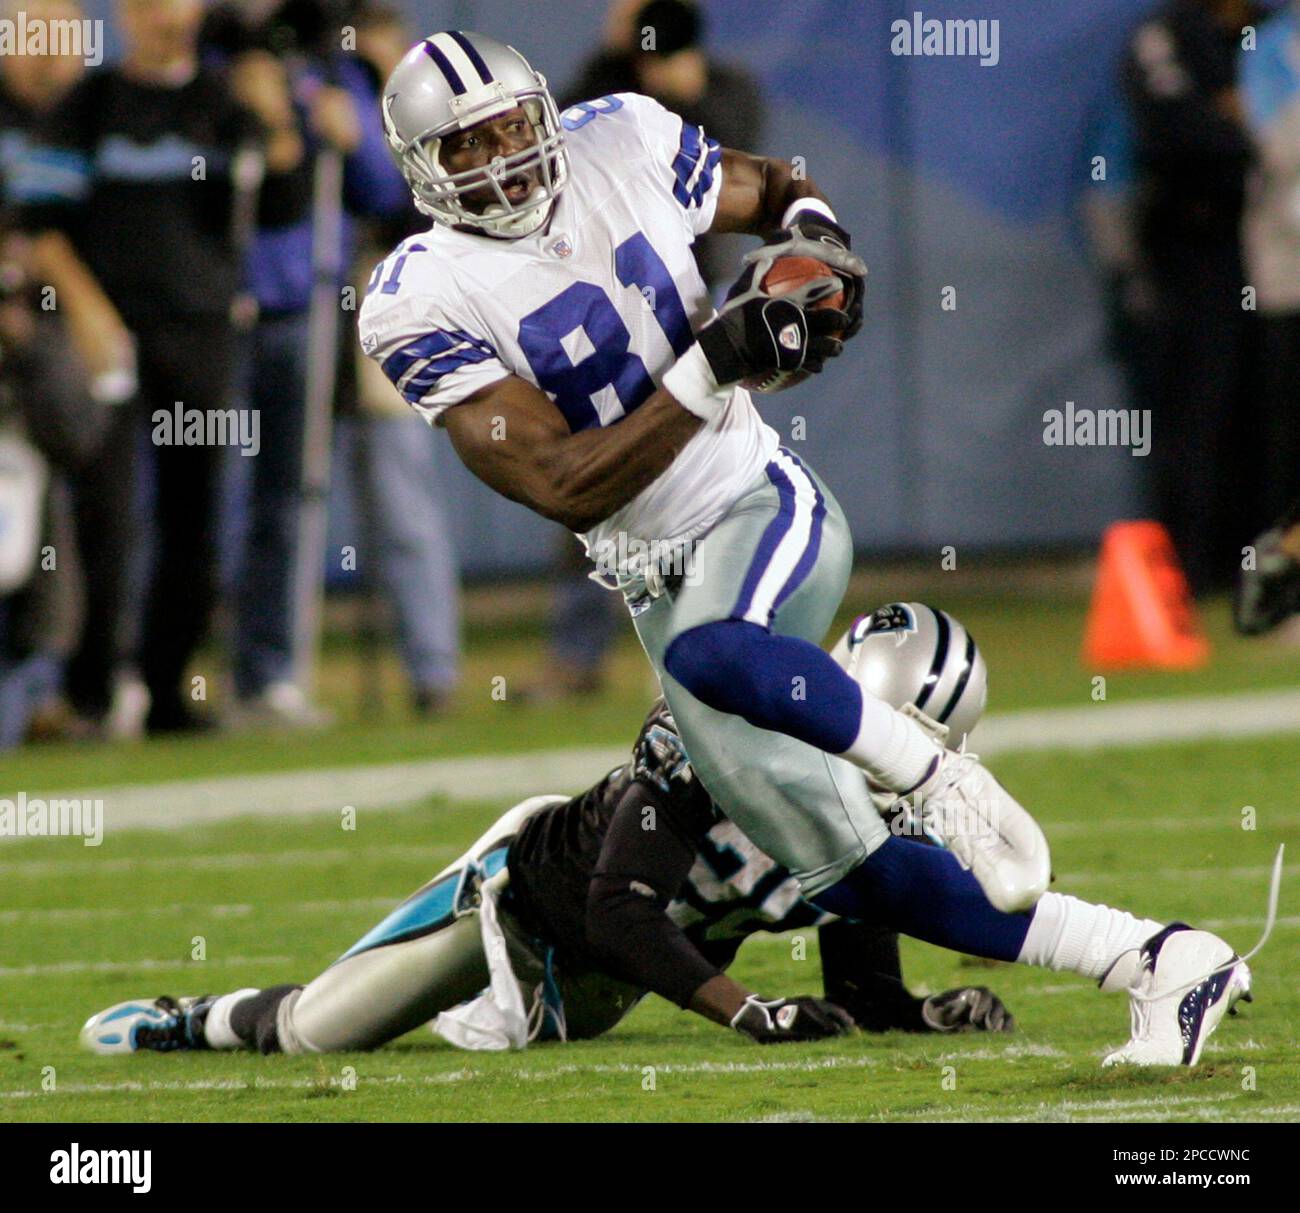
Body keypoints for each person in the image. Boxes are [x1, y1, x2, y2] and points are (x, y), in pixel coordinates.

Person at [359, 31, 1250, 1065]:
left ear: (545, 114)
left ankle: (931, 773)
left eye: (512, 127)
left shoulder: (625, 135)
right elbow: (560, 481)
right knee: (852, 871)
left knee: (711, 653)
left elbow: (779, 186)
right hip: (656, 575)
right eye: (466, 147)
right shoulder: (417, 294)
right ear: (424, 168)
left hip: (757, 505)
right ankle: (1160, 960)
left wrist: (820, 243)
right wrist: (711, 362)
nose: (503, 157)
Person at [82, 601, 1256, 1063]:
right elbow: (613, 904)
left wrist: (904, 1008)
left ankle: (1155, 958)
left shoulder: (861, 813)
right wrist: (749, 1013)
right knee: (321, 1034)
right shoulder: (711, 743)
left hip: (615, 980)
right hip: (520, 903)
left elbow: (858, 906)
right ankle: (192, 1020)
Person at [16, 0, 307, 735]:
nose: (163, 17)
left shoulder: (224, 103)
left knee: (197, 515)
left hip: (203, 332)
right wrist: (85, 310)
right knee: (106, 517)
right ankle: (91, 691)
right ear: (124, 15)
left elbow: (282, 204)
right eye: (145, 4)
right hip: (109, 334)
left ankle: (169, 686)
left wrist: (275, 120)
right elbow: (41, 223)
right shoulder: (93, 104)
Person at [1121, 0, 1261, 594]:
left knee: (1269, 413)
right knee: (1196, 410)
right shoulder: (1167, 35)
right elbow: (1179, 131)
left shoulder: (1270, 34)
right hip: (1199, 247)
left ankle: (1261, 565)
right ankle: (1191, 570)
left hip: (1276, 245)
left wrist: (1243, 122)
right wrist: (1243, 131)